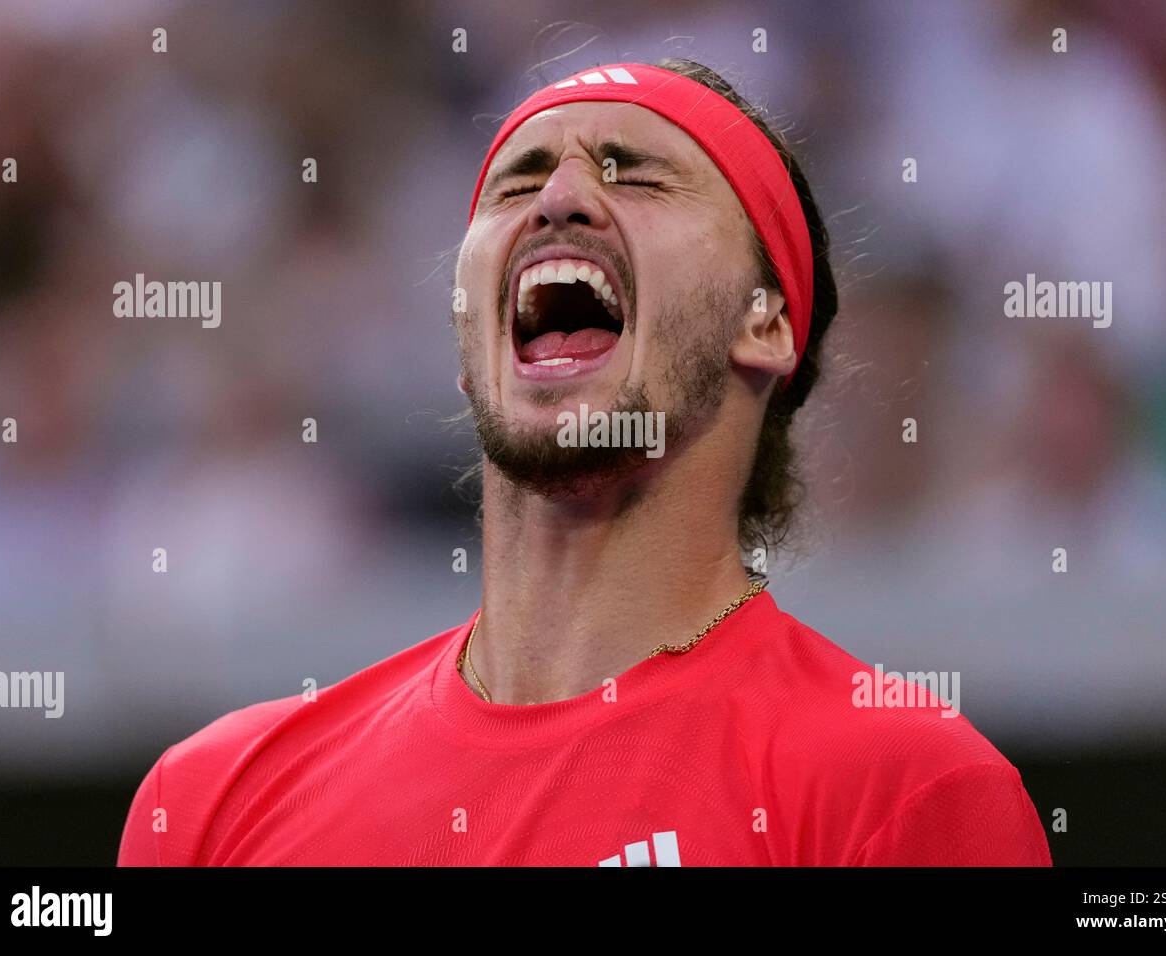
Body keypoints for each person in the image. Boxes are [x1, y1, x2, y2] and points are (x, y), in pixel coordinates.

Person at [118, 58, 1051, 866]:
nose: (560, 199)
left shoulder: (905, 792)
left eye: (636, 178)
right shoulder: (208, 806)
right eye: (517, 185)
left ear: (764, 320)